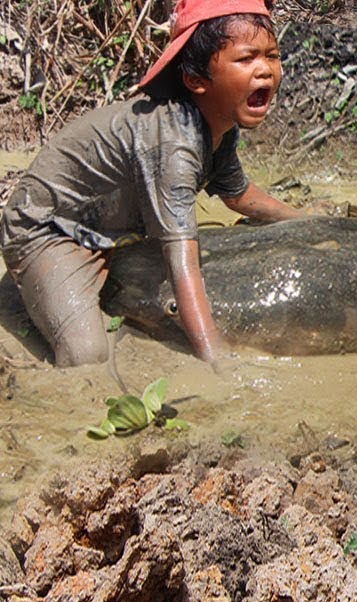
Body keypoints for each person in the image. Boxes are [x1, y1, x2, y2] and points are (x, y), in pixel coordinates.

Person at [0, 0, 302, 369]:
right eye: (246, 59)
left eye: (272, 55)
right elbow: (182, 263)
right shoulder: (174, 141)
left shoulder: (217, 128)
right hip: (47, 228)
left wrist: (303, 218)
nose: (265, 71)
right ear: (196, 80)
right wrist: (215, 354)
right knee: (87, 356)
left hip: (108, 229)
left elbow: (238, 195)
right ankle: (33, 285)